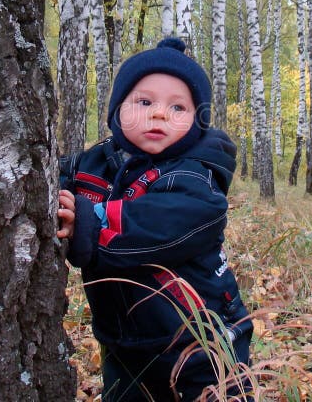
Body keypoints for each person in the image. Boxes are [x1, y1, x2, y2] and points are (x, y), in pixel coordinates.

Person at [57, 37, 252, 401]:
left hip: (200, 343)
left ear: (197, 121)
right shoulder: (96, 163)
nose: (160, 114)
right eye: (144, 102)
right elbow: (50, 178)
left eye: (178, 107)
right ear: (118, 110)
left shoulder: (194, 176)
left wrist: (89, 223)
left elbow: (159, 225)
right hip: (123, 343)